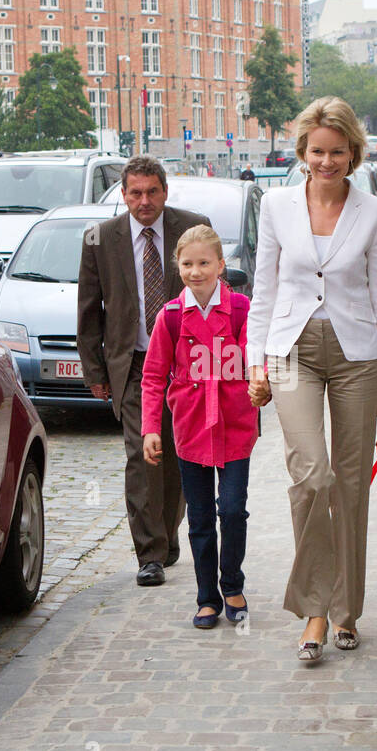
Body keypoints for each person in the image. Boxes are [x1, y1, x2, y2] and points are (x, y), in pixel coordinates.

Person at [246, 95, 377, 662]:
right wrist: (254, 362)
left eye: (337, 152)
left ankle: (346, 609)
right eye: (317, 152)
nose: (326, 162)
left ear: (353, 153)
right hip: (293, 351)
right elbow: (264, 291)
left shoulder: (375, 213)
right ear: (303, 152)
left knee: (352, 483)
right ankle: (314, 608)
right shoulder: (276, 205)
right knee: (313, 475)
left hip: (359, 354)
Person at [77, 156, 212, 587]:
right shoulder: (101, 239)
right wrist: (95, 369)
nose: (144, 201)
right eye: (135, 193)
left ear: (165, 192)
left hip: (186, 363)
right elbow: (88, 309)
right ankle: (149, 554)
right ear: (123, 195)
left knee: (175, 455)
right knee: (142, 455)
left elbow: (213, 287)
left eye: (152, 191)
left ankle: (168, 532)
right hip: (134, 364)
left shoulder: (192, 227)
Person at [142, 225, 262, 628]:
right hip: (190, 426)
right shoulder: (171, 316)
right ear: (177, 267)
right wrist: (151, 428)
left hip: (235, 425)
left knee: (232, 510)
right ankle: (206, 596)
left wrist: (261, 383)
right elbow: (154, 376)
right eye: (188, 263)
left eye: (205, 263)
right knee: (199, 518)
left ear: (221, 266)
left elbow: (255, 362)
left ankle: (232, 584)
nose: (196, 271)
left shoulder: (243, 310)